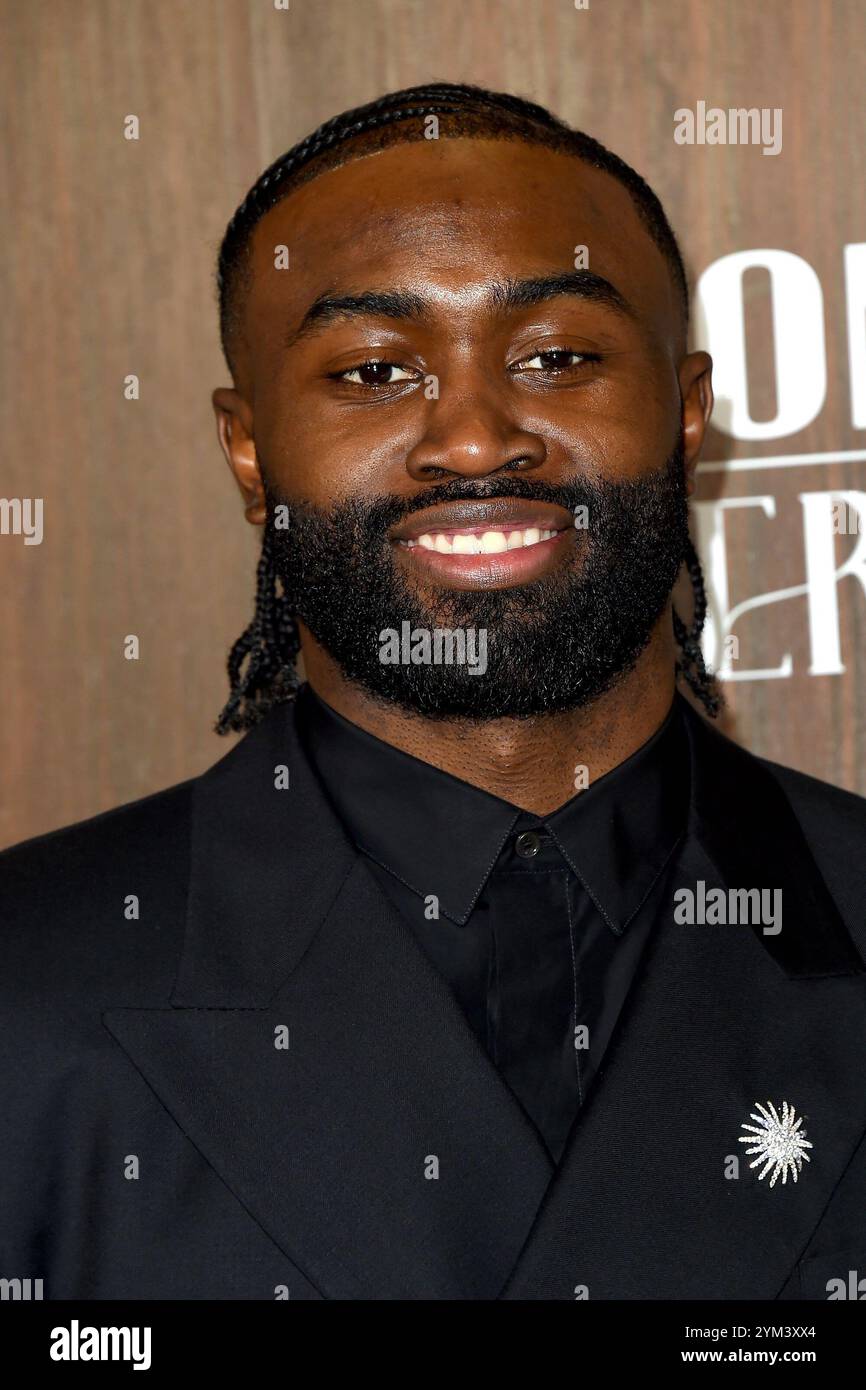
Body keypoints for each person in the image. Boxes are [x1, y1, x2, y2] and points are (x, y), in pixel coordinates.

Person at [2, 81, 865, 1302]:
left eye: (558, 355)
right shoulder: (26, 988)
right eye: (369, 370)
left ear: (682, 418)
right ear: (249, 453)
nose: (470, 437)